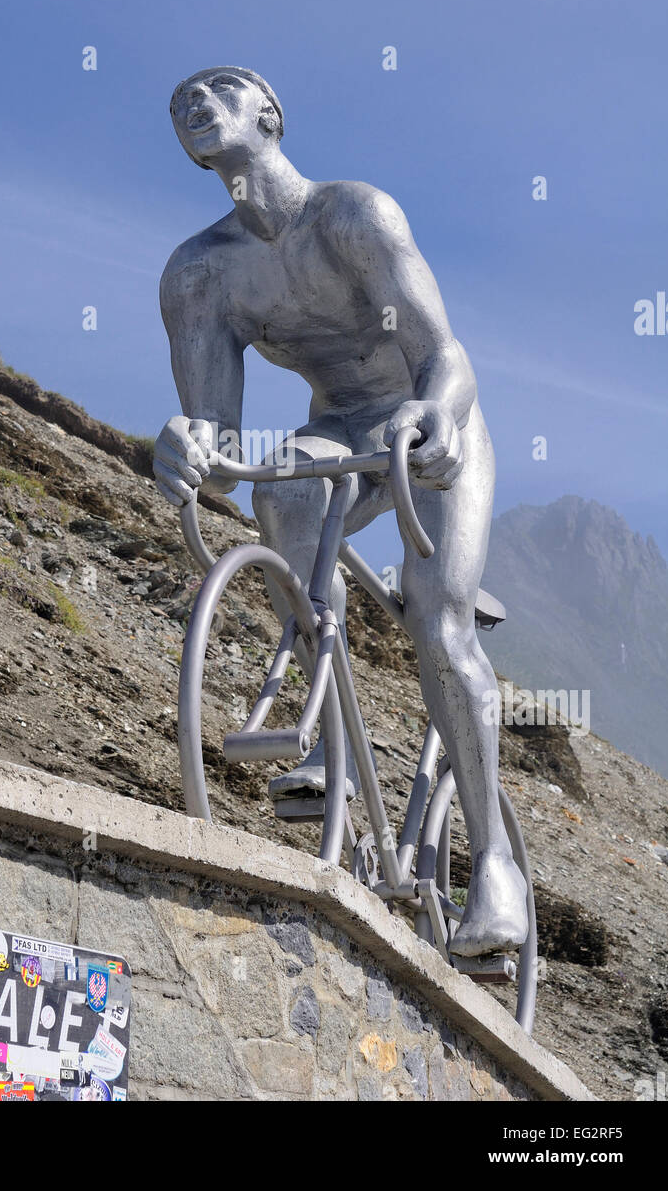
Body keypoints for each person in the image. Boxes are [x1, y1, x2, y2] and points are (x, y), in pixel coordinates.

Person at [153, 66, 527, 957]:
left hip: (431, 421)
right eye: (180, 106)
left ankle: (498, 869)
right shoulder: (199, 274)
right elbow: (219, 445)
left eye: (218, 90)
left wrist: (435, 416)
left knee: (438, 628)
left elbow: (446, 355)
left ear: (269, 114)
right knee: (280, 484)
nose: (196, 105)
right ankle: (322, 737)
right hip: (339, 429)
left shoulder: (353, 215)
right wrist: (182, 447)